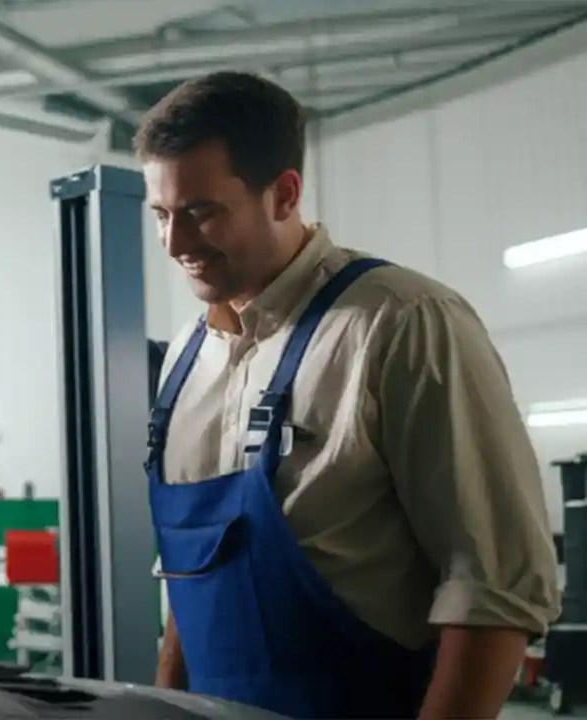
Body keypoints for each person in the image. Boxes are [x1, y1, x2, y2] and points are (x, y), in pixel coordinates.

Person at [137, 71, 561, 719]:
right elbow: (195, 582)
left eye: (201, 213)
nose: (175, 245)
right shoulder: (186, 359)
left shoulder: (401, 323)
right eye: (162, 216)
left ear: (284, 194)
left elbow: (495, 588)